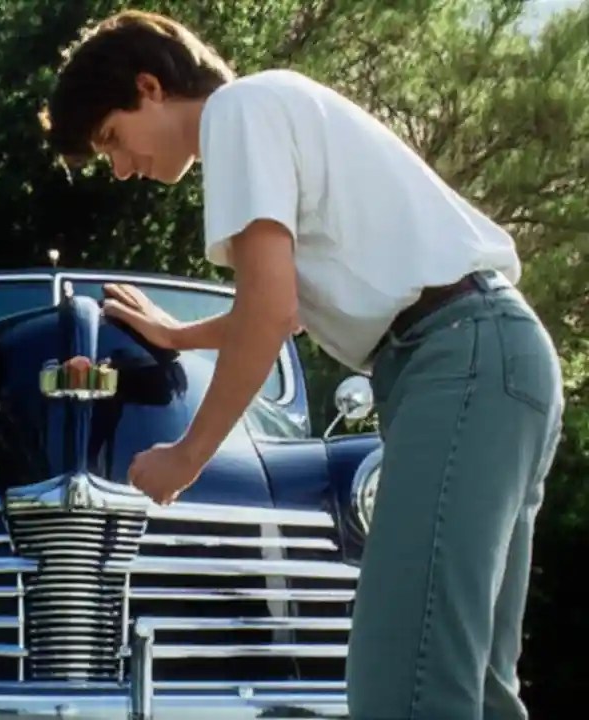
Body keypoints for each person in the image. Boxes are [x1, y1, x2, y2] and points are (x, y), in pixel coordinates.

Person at [39, 10, 563, 720]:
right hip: (500, 360)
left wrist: (187, 457)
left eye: (112, 139)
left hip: (457, 363)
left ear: (150, 87)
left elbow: (269, 308)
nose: (123, 167)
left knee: (403, 684)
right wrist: (179, 336)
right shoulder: (272, 108)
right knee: (471, 688)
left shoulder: (238, 112)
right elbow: (277, 309)